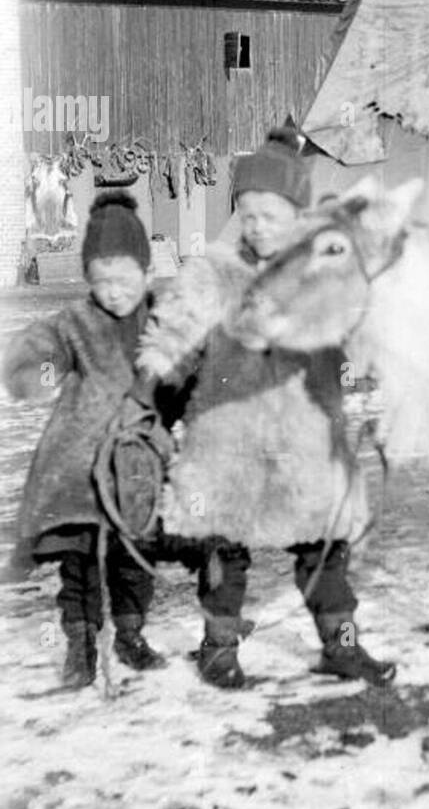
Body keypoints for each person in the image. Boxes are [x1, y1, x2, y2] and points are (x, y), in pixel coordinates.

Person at [134, 127, 395, 691]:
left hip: (305, 439)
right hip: (227, 440)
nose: (255, 226)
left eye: (269, 215)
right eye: (247, 214)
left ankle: (342, 647)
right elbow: (176, 337)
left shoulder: (324, 272)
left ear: (298, 215)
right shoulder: (215, 272)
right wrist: (150, 390)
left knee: (326, 547)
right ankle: (218, 650)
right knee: (223, 552)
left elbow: (358, 336)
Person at [1, 190, 166, 688]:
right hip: (77, 467)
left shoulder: (162, 322)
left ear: (146, 272)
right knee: (80, 566)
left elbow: (192, 365)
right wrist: (38, 368)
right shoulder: (77, 322)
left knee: (134, 561)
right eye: (100, 281)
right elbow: (47, 346)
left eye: (124, 280)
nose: (113, 293)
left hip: (135, 468)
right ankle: (80, 645)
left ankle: (130, 636)